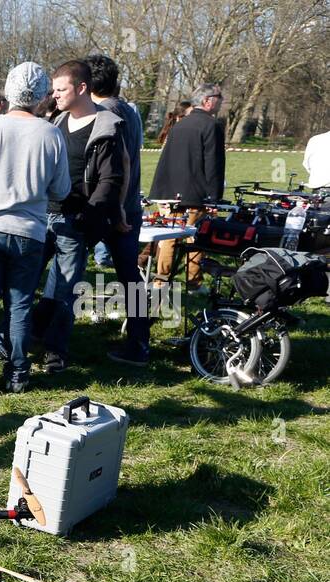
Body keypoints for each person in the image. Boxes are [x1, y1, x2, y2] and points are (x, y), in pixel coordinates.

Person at [0, 62, 70, 395]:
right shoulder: (51, 134)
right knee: (19, 306)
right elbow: (61, 190)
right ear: (41, 96)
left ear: (8, 90)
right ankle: (18, 374)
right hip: (29, 230)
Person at [29, 60, 124, 374]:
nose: (54, 95)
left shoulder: (107, 127)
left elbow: (111, 180)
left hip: (75, 221)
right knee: (29, 281)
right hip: (42, 217)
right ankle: (24, 336)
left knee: (67, 290)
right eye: (54, 90)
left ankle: (55, 351)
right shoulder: (55, 123)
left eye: (61, 89)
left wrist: (89, 216)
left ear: (81, 88)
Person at [85, 53, 150, 367]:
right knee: (130, 277)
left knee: (64, 266)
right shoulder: (130, 110)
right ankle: (139, 340)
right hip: (129, 205)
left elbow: (121, 163)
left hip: (111, 206)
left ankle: (45, 332)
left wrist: (119, 209)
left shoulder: (104, 113)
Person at [147, 83, 226, 287]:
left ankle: (160, 280)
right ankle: (193, 282)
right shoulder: (212, 125)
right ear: (207, 100)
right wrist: (214, 198)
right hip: (196, 194)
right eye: (219, 97)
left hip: (171, 192)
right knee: (196, 238)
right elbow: (213, 164)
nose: (221, 101)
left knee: (169, 238)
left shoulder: (180, 124)